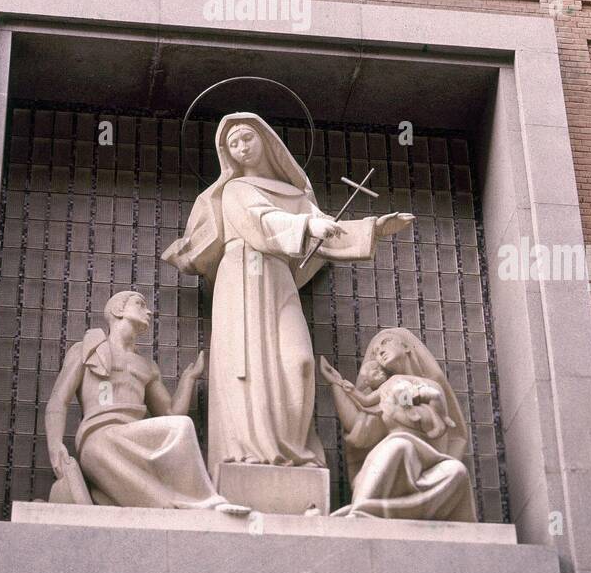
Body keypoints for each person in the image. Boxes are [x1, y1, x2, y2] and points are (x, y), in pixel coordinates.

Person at [163, 113, 412, 474]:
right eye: (233, 144)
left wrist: (375, 228)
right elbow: (262, 221)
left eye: (247, 138)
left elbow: (328, 233)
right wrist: (308, 223)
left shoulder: (294, 195)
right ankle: (249, 453)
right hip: (243, 277)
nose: (241, 147)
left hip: (278, 278)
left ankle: (293, 453)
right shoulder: (234, 190)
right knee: (245, 366)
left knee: (300, 363)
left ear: (266, 140)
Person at [44, 290, 246, 512]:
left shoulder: (147, 366)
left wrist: (188, 379)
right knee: (111, 457)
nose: (148, 311)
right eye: (140, 304)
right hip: (99, 440)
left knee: (181, 429)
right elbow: (58, 401)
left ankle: (201, 501)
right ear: (118, 309)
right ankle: (185, 505)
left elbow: (171, 414)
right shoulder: (85, 350)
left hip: (134, 435)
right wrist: (55, 446)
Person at [321, 328, 476, 522]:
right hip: (389, 471)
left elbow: (436, 426)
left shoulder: (427, 388)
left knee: (457, 472)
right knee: (400, 445)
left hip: (425, 465)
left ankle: (372, 511)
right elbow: (361, 429)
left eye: (385, 343)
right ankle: (361, 510)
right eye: (376, 352)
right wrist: (336, 383)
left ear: (406, 346)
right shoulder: (386, 393)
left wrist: (415, 403)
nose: (380, 352)